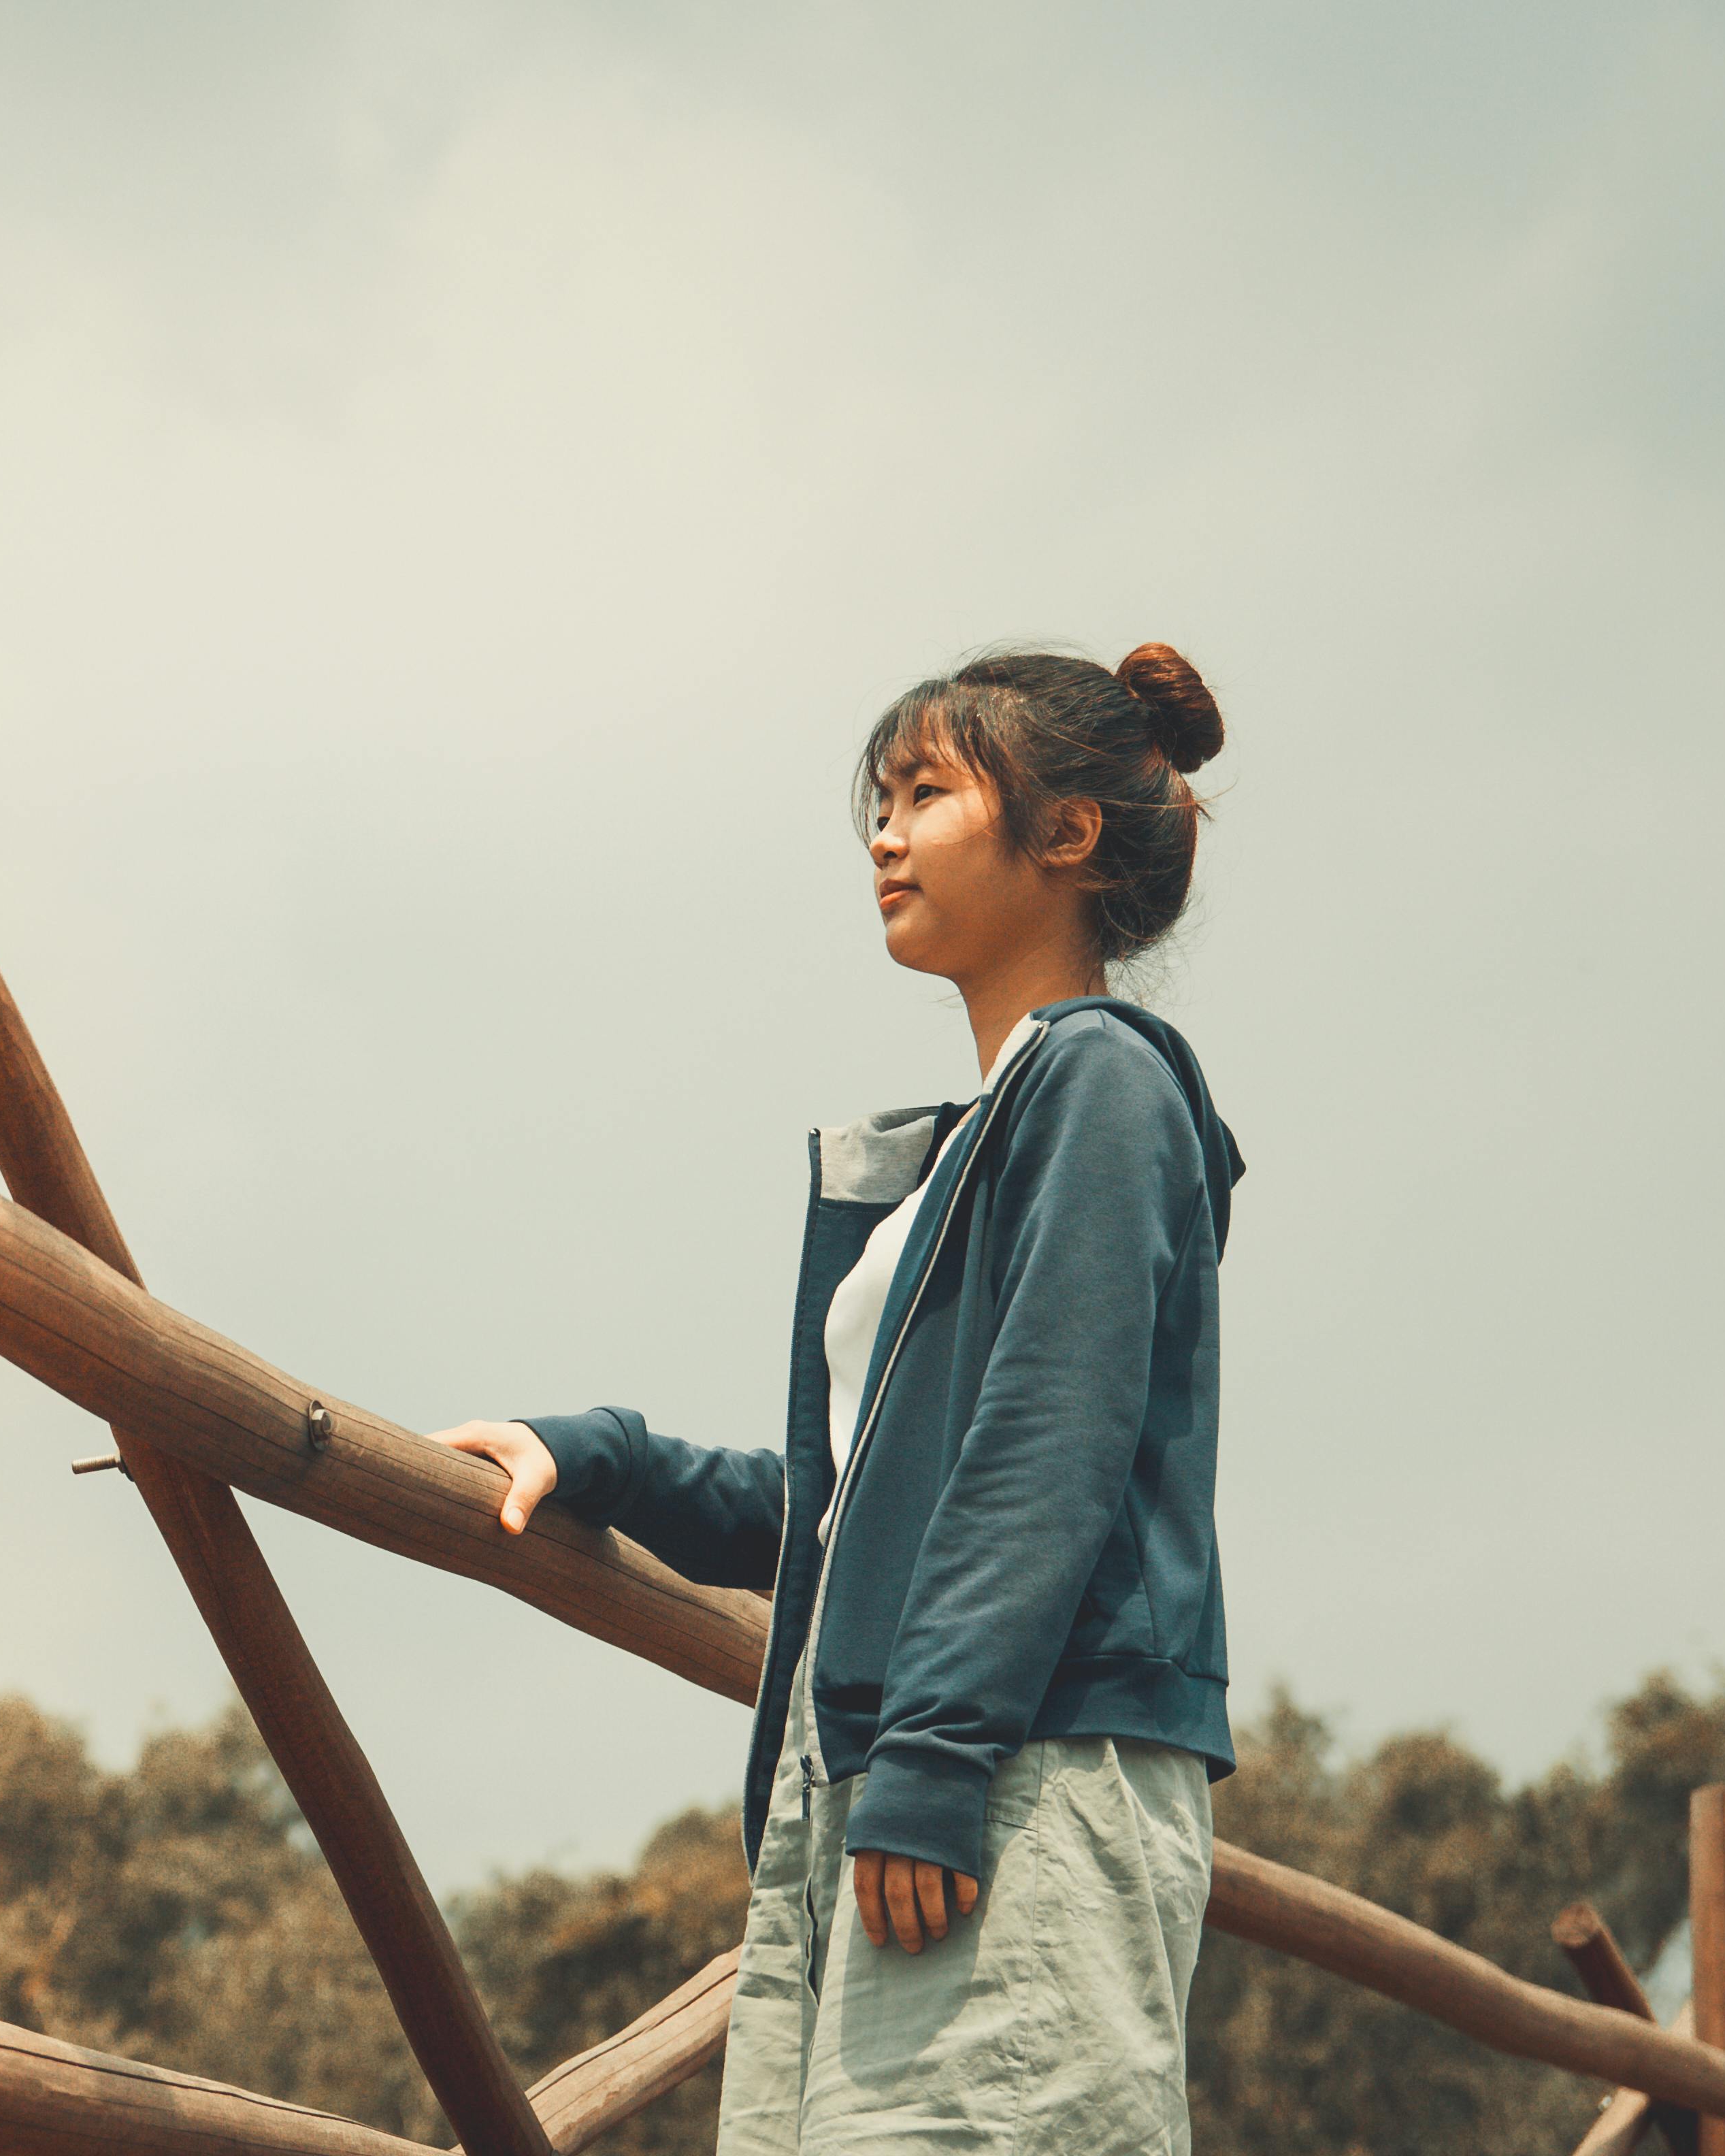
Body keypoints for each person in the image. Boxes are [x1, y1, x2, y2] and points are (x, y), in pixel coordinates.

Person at [428, 647, 1245, 2154]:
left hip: (1005, 1766)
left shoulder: (1106, 1080)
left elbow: (1048, 1445)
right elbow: (853, 1505)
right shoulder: (961, 1146)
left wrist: (935, 1761)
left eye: (927, 794)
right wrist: (600, 1456)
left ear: (1065, 837)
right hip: (877, 1773)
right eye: (879, 800)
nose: (883, 833)